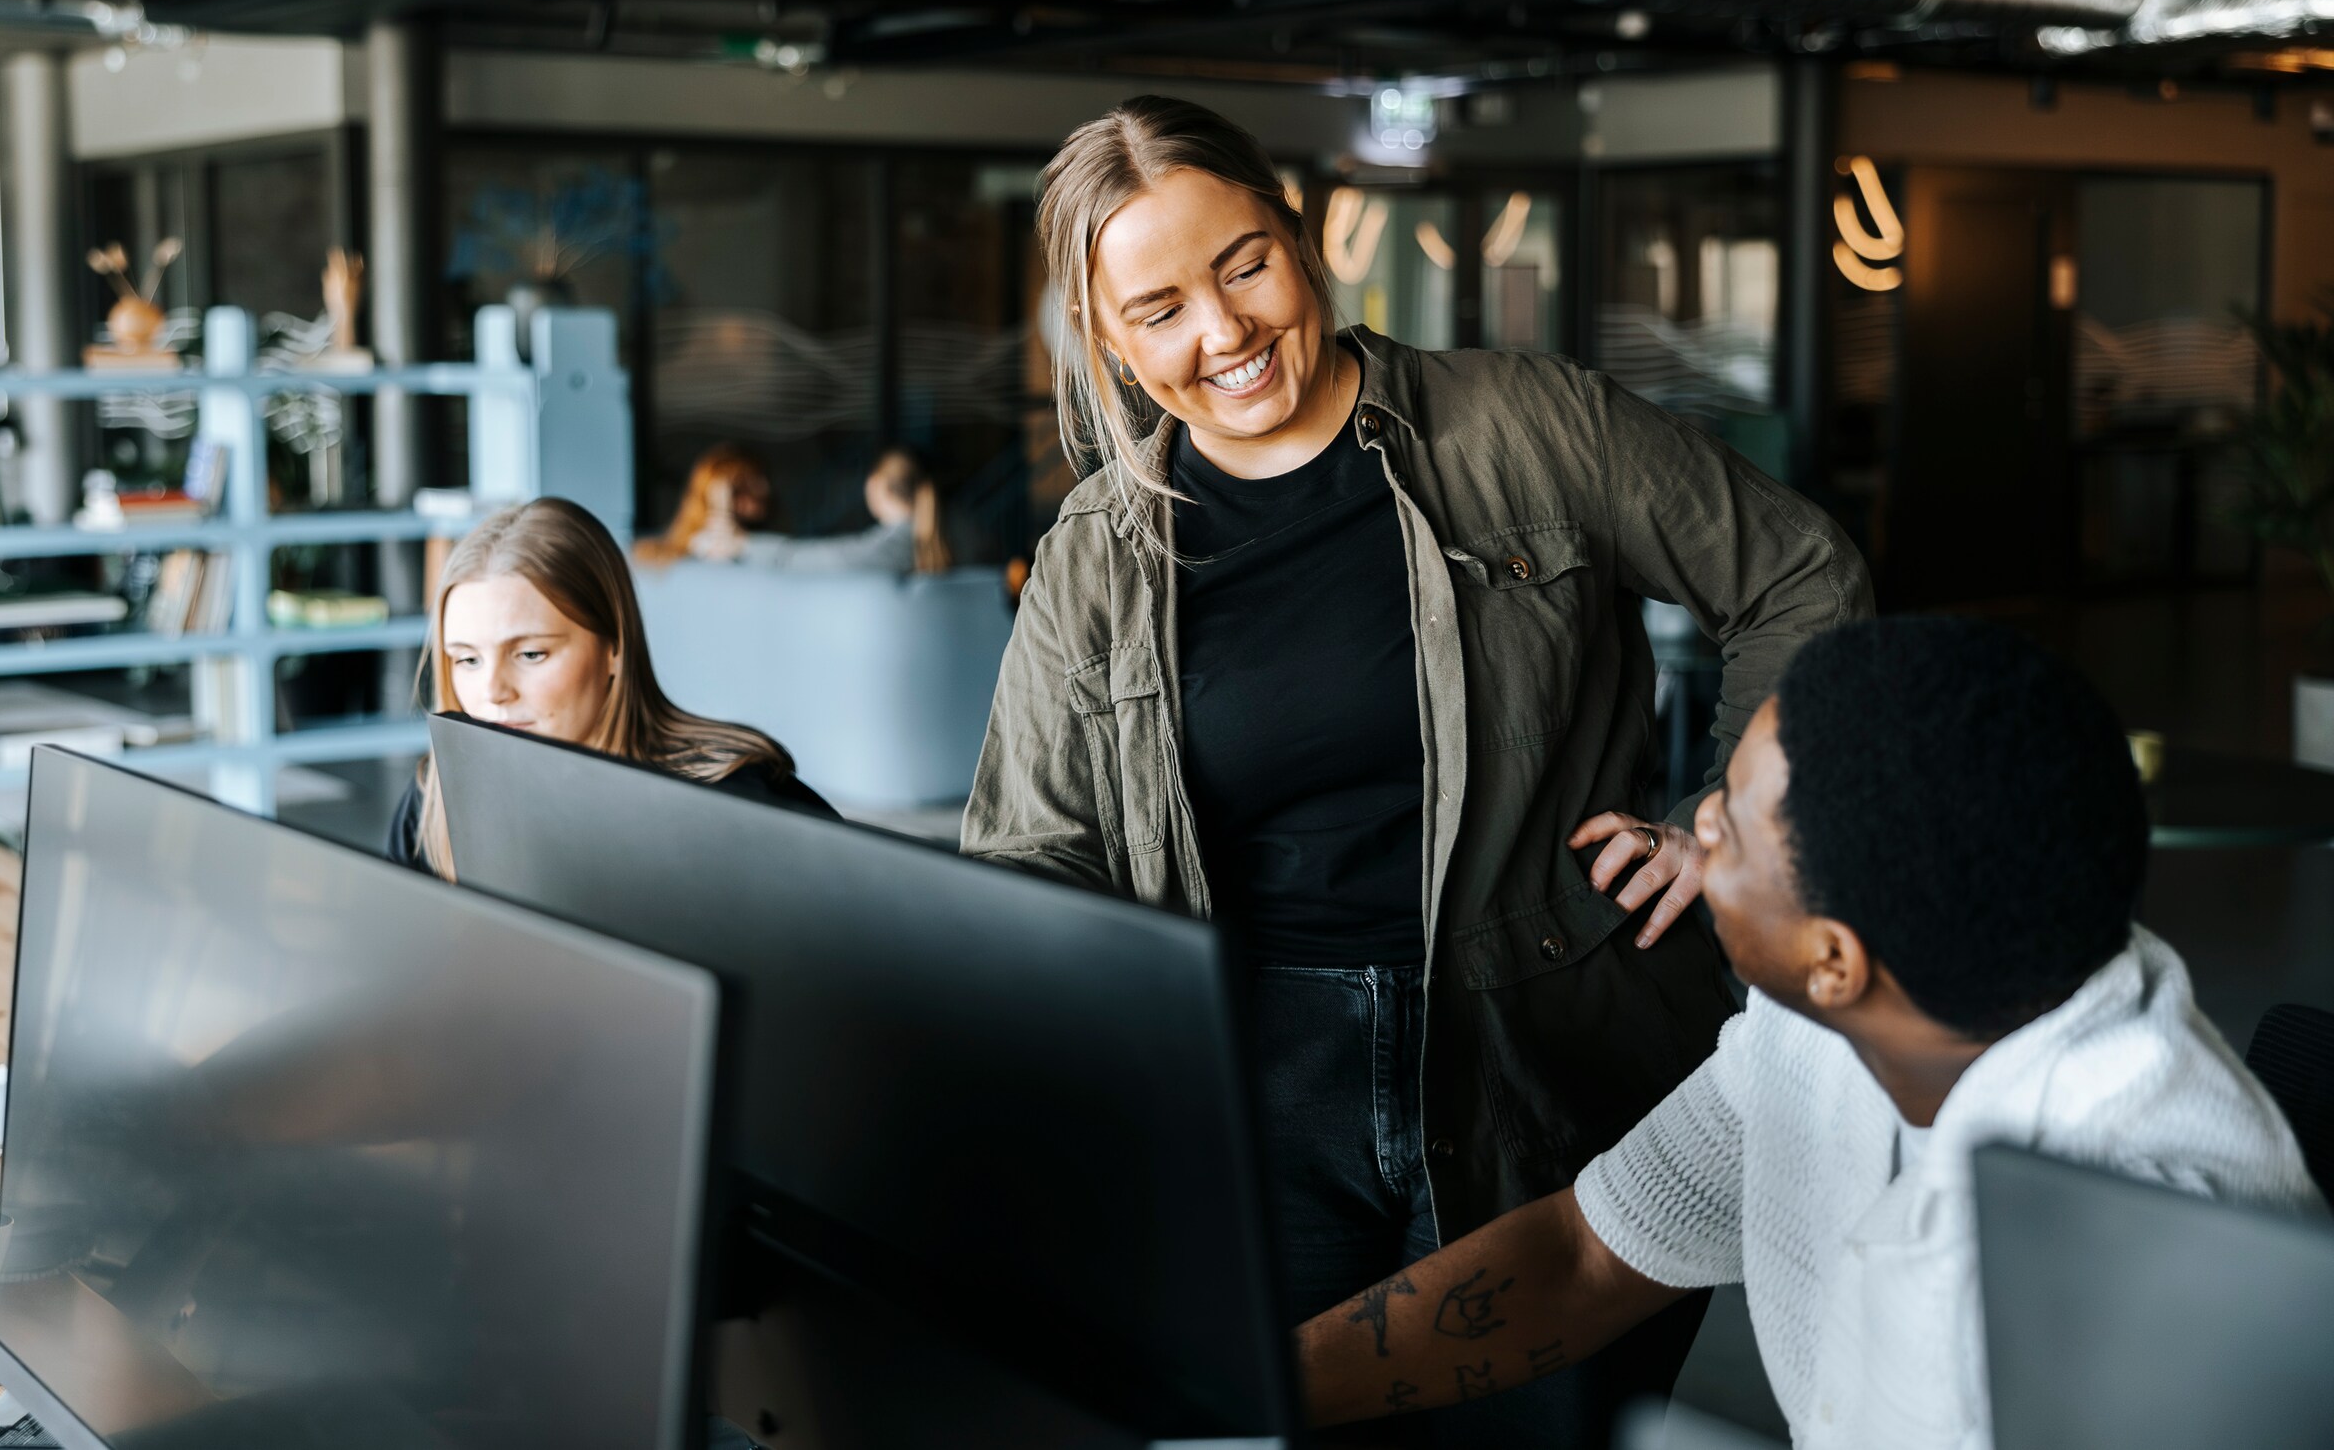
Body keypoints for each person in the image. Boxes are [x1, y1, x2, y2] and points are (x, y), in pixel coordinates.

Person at [963, 95, 1871, 1445]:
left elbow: (1804, 577)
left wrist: (1717, 824)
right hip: (1259, 1079)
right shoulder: (1100, 551)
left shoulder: (1532, 423)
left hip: (1548, 1053)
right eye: (1156, 308)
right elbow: (1031, 856)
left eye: (1244, 265)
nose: (1222, 333)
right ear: (1102, 335)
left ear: (1300, 232)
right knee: (1282, 1420)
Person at [1295, 616, 2322, 1450]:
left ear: (1832, 958)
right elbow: (1585, 1254)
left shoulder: (2139, 1252)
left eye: (1725, 824)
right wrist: (1259, 1391)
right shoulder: (1839, 1018)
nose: (1693, 829)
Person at [392, 496, 832, 879]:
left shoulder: (741, 807)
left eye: (531, 654)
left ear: (614, 648)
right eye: (467, 659)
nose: (492, 692)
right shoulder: (436, 799)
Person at [697, 445, 954, 575]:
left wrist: (745, 546)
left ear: (874, 486)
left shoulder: (899, 543)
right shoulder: (942, 539)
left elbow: (830, 560)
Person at [635, 444, 775, 565]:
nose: (763, 489)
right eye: (743, 486)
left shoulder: (766, 546)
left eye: (762, 479)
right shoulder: (697, 551)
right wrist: (723, 518)